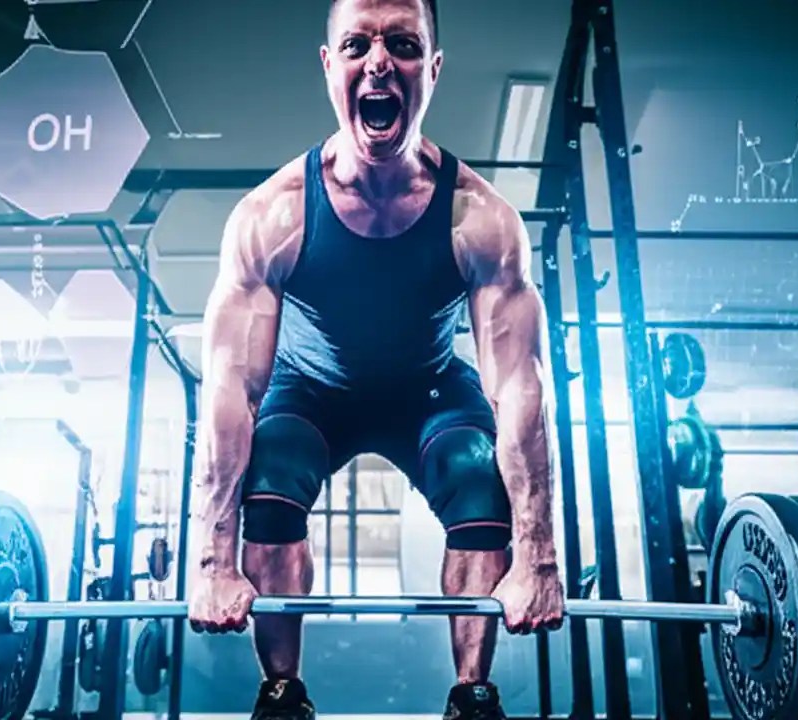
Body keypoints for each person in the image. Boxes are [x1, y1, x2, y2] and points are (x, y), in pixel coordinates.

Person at [188, 0, 565, 718]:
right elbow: (230, 389)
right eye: (357, 44)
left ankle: (472, 693)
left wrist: (539, 555)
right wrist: (212, 559)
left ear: (434, 67)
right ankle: (282, 690)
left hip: (428, 389)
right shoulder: (273, 216)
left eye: (403, 43)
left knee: (479, 477)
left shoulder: (482, 220)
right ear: (330, 66)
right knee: (268, 477)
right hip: (311, 390)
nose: (380, 61)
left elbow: (521, 389)